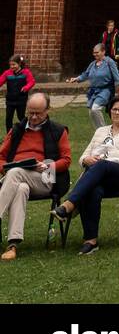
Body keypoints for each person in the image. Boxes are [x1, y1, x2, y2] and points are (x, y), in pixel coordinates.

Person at [54, 92, 119, 256]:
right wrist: (87, 159)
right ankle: (90, 241)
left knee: (102, 165)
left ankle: (69, 205)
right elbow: (83, 156)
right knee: (93, 189)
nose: (117, 112)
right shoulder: (101, 131)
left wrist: (106, 158)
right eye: (114, 109)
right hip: (100, 177)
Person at [0, 91, 71, 260]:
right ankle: (13, 245)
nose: (33, 117)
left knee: (15, 172)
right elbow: (1, 156)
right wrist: (5, 168)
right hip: (15, 178)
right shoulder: (17, 130)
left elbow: (66, 160)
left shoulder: (58, 130)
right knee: (20, 187)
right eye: (30, 112)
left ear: (48, 110)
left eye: (38, 113)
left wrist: (47, 165)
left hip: (45, 178)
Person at [67, 43, 119, 129]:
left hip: (105, 90)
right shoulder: (92, 64)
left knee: (95, 109)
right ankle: (99, 131)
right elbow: (85, 74)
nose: (95, 54)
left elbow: (116, 75)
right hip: (93, 91)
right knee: (91, 112)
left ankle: (104, 131)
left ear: (103, 52)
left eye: (97, 52)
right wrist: (76, 79)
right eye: (94, 52)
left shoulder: (109, 62)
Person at [0, 56, 34, 131]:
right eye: (10, 65)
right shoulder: (7, 73)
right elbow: (0, 81)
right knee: (8, 118)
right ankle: (9, 135)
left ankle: (26, 131)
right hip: (10, 100)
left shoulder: (26, 72)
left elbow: (32, 81)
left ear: (19, 63)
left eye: (14, 64)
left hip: (21, 99)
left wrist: (26, 88)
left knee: (21, 116)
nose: (12, 66)